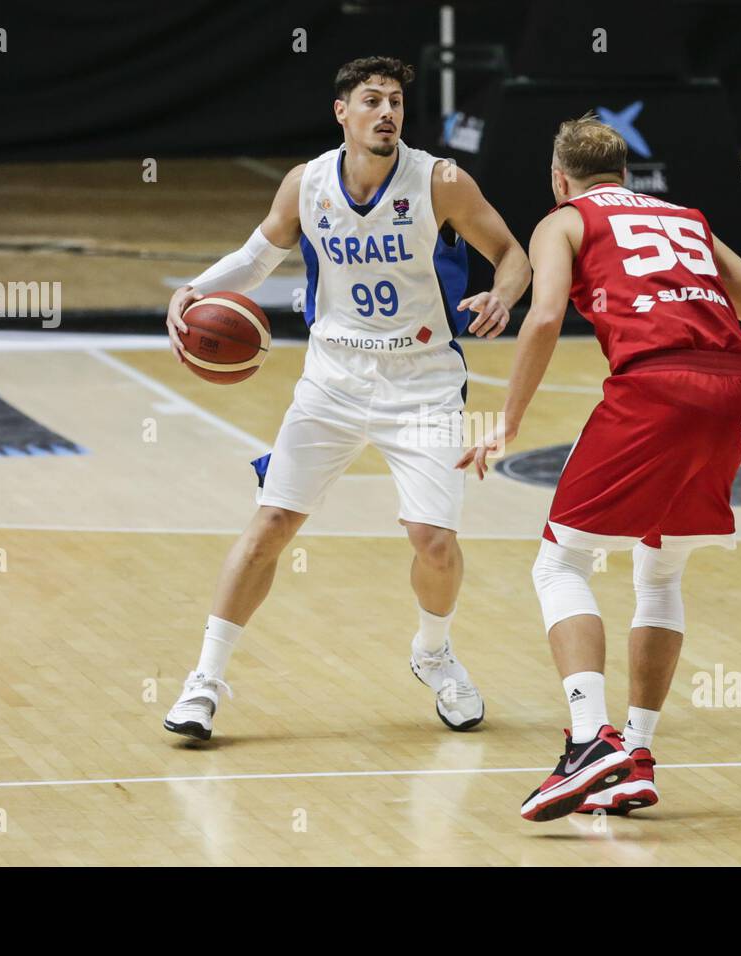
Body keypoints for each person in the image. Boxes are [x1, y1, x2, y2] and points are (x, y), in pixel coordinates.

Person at [163, 56, 530, 741]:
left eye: (395, 100)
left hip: (422, 385)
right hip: (332, 383)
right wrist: (196, 286)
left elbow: (513, 252)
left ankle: (433, 651)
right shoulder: (306, 184)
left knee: (435, 543)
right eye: (372, 99)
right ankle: (205, 682)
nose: (387, 111)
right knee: (271, 525)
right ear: (343, 113)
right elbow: (256, 257)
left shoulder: (440, 180)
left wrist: (501, 294)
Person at [458, 114, 741, 822]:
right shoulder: (687, 218)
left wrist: (508, 420)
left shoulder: (565, 221)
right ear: (628, 173)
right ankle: (635, 757)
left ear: (559, 177)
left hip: (656, 388)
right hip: (731, 390)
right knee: (661, 571)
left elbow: (545, 317)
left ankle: (589, 740)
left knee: (559, 566)